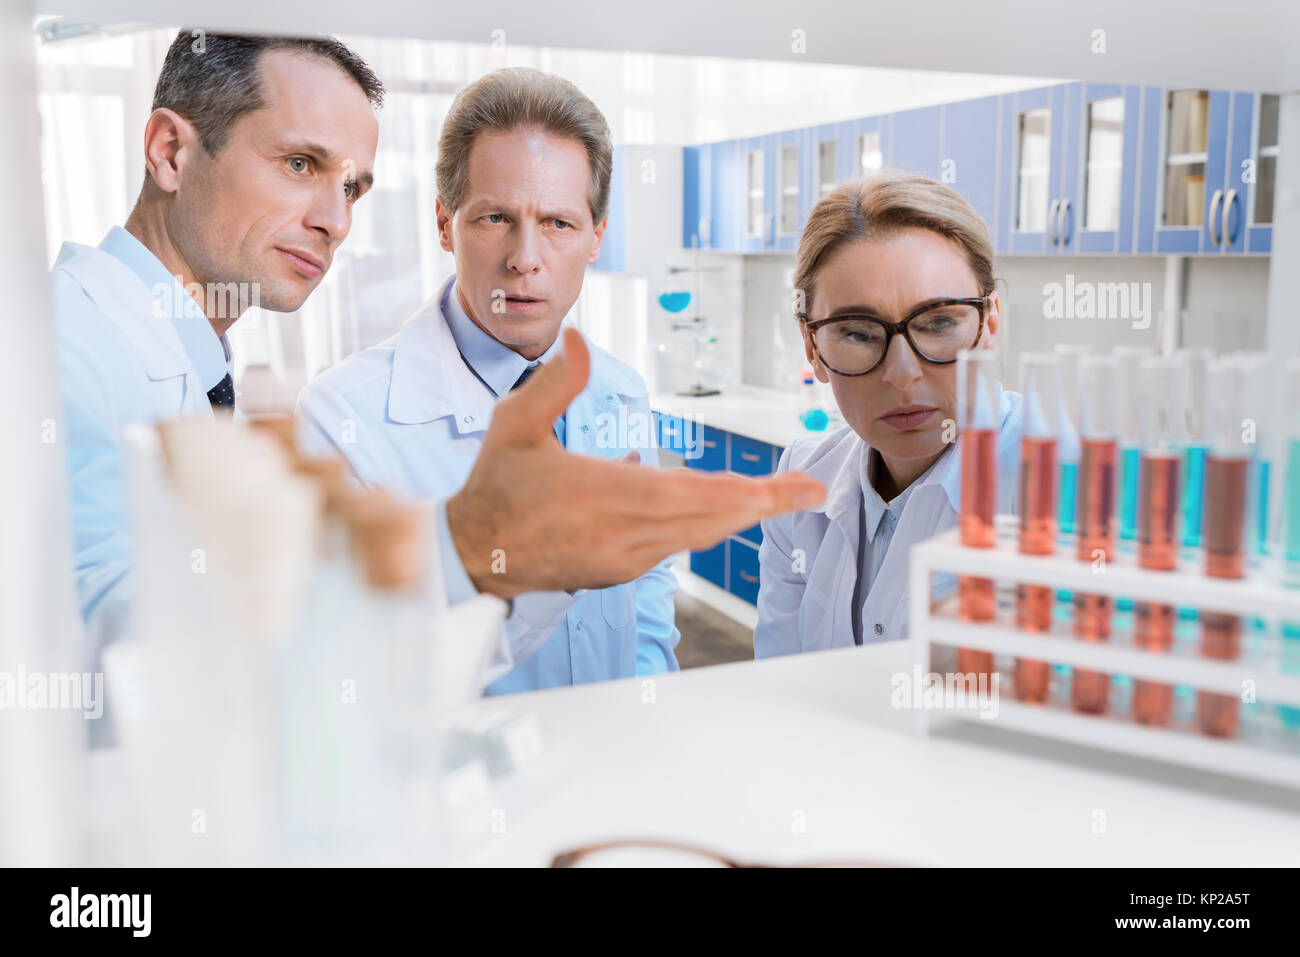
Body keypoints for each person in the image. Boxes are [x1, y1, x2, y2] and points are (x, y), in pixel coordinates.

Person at [50, 31, 825, 737]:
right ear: (170, 151)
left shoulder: (177, 358)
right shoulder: (65, 349)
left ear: (595, 235)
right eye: (299, 164)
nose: (335, 220)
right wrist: (469, 549)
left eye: (351, 187)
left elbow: (640, 612)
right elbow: (109, 677)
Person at [296, 68, 678, 692]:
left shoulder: (621, 390)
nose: (525, 257)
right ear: (444, 224)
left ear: (595, 239)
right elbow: (362, 671)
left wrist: (644, 704)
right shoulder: (345, 419)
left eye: (558, 223)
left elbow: (650, 582)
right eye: (496, 217)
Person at [754, 171, 1072, 656]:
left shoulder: (1063, 481)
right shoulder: (801, 479)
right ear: (811, 347)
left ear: (989, 325)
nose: (903, 374)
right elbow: (781, 682)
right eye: (858, 332)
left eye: (939, 322)